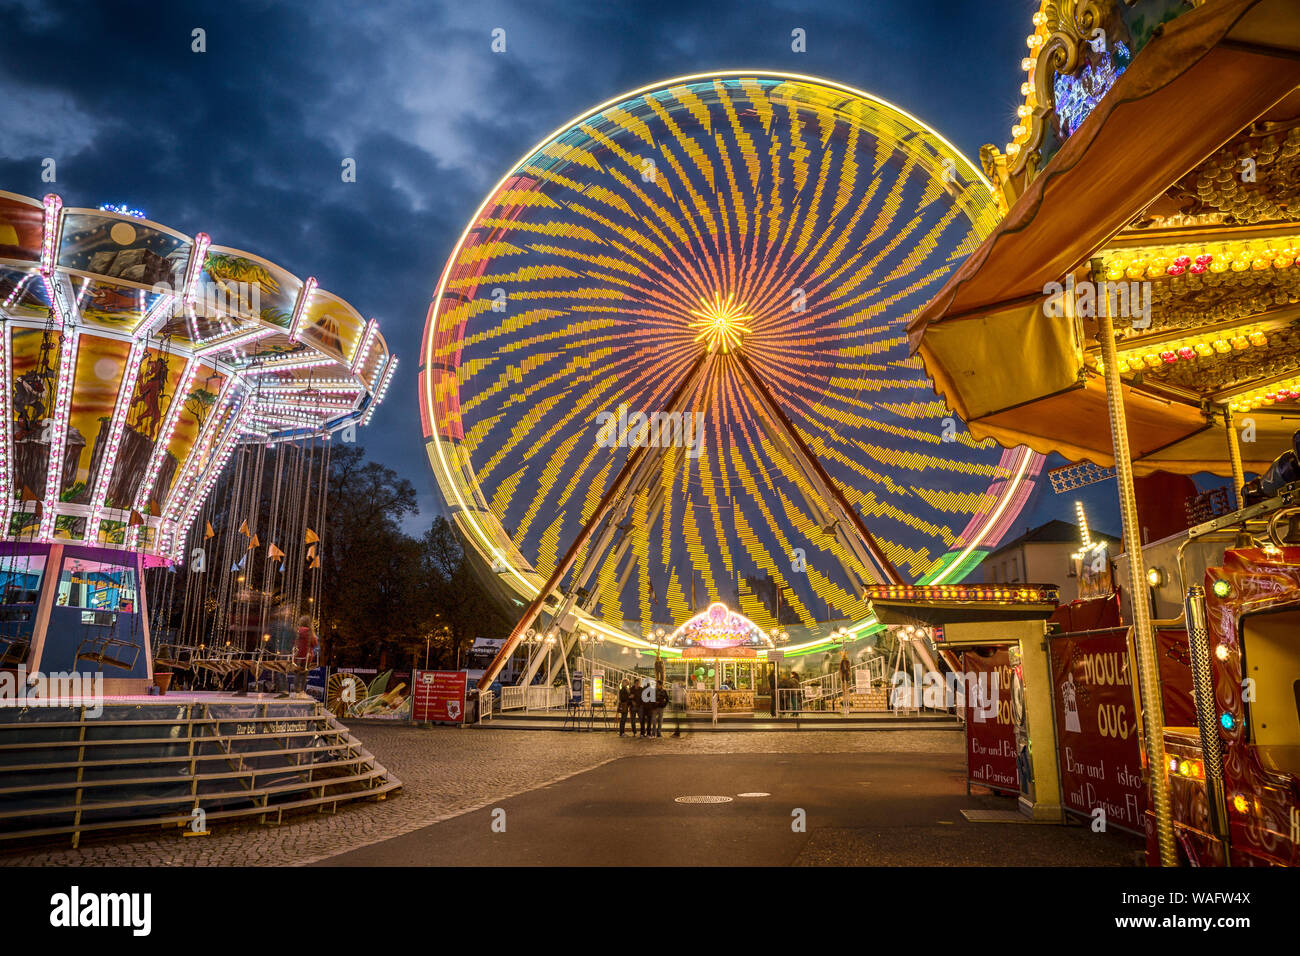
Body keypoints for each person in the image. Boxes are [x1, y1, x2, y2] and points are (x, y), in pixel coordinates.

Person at [292, 615, 318, 696]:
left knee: (297, 672)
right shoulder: (310, 632)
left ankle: (296, 690)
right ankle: (302, 691)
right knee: (304, 673)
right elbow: (315, 644)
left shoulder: (297, 631)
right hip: (307, 656)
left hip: (297, 655)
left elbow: (293, 641)